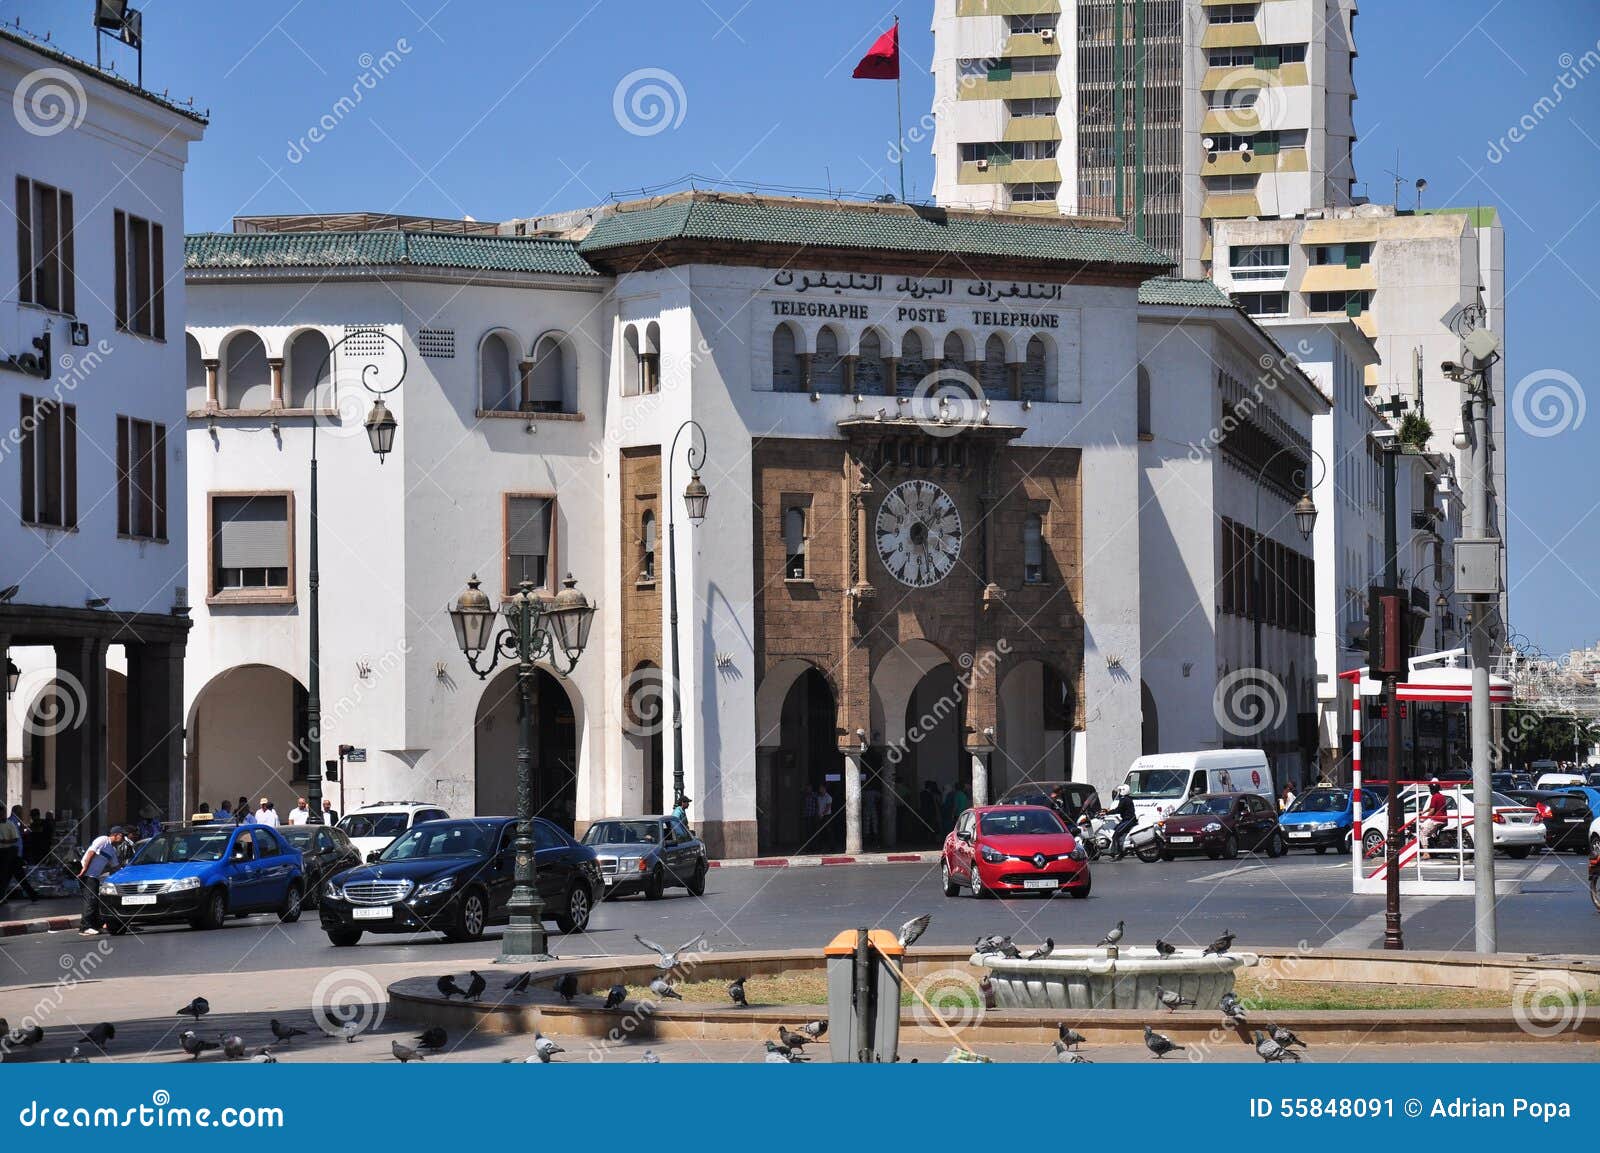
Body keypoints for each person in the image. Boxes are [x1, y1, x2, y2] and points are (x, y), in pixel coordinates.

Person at [77, 827, 126, 936]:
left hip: (95, 877)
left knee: (95, 901)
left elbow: (116, 867)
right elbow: (91, 853)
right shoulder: (103, 840)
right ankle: (84, 927)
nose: (123, 839)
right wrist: (85, 868)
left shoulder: (112, 850)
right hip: (87, 875)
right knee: (90, 901)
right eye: (122, 836)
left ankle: (95, 925)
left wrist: (126, 873)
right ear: (116, 834)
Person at [0, 806, 38, 903]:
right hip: (7, 853)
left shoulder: (13, 822)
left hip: (13, 852)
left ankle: (3, 896)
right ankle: (32, 895)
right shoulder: (11, 821)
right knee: (12, 875)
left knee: (11, 875)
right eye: (20, 812)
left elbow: (17, 836)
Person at [1418, 778, 1450, 857]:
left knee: (1423, 834)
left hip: (1437, 820)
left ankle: (1426, 853)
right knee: (1429, 831)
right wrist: (1423, 812)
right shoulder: (1441, 796)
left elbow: (1432, 810)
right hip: (1443, 819)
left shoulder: (1434, 797)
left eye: (1430, 788)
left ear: (1432, 789)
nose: (1430, 790)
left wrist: (1424, 818)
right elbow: (1431, 807)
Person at [1108, 785, 1138, 860]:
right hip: (1128, 820)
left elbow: (1118, 809)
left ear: (1124, 791)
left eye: (1120, 791)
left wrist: (1107, 812)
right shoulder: (1127, 798)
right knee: (1116, 830)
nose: (1119, 793)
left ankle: (1118, 854)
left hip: (1129, 820)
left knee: (1116, 834)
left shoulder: (1124, 799)